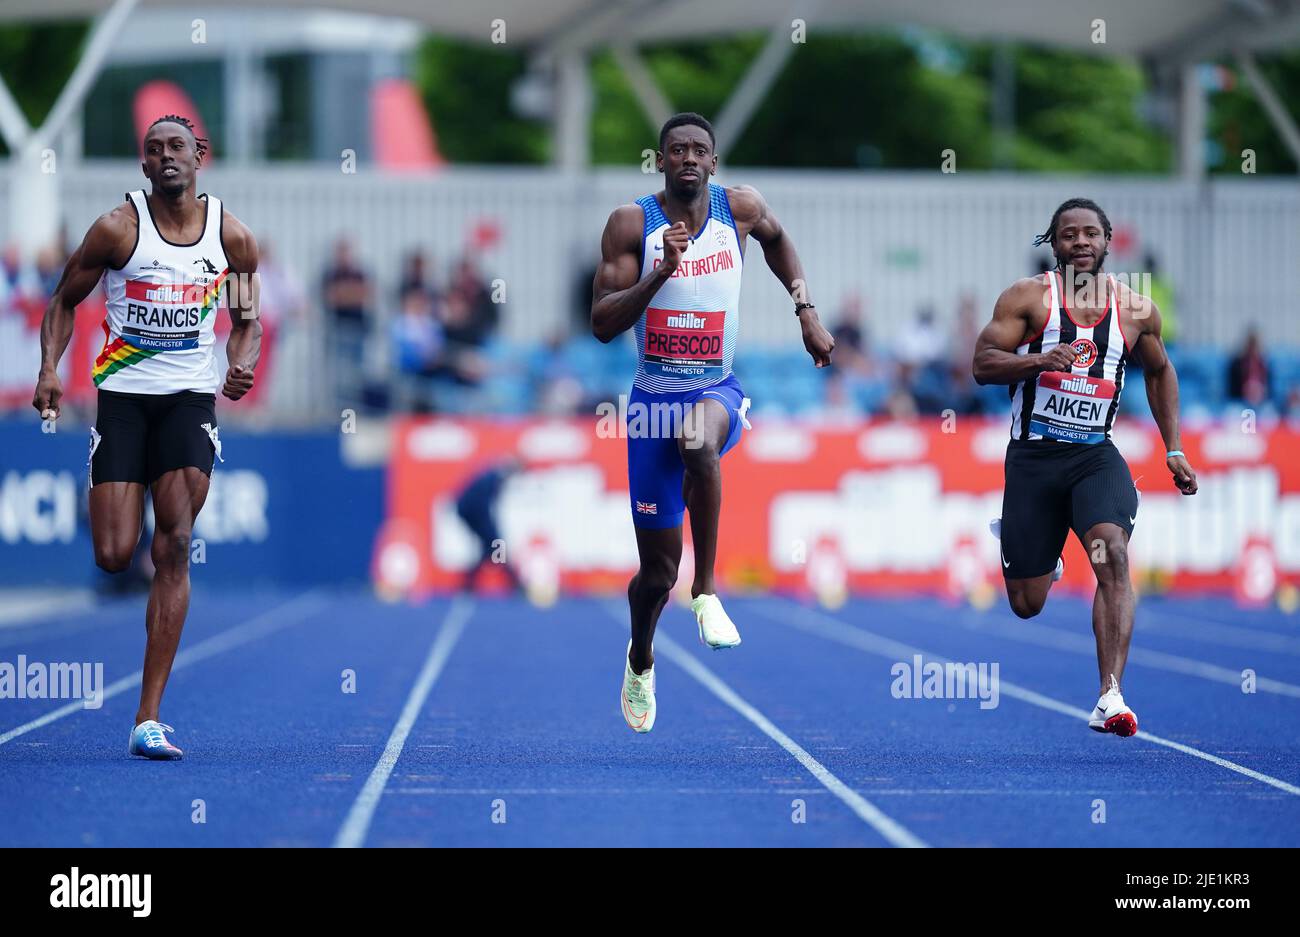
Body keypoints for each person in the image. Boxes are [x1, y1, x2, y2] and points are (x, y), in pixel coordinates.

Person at [591, 112, 834, 733]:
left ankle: (708, 592)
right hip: (650, 404)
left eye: (700, 150)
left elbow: (779, 241)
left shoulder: (740, 210)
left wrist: (804, 309)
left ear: (714, 162)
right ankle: (641, 656)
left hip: (716, 388)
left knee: (698, 443)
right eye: (678, 150)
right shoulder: (630, 224)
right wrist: (660, 274)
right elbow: (602, 323)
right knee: (653, 576)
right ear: (660, 160)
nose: (689, 159)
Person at [32, 115, 261, 760]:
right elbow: (60, 302)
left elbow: (248, 319)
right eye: (153, 149)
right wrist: (49, 368)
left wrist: (242, 361)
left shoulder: (234, 240)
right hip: (125, 400)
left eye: (177, 148)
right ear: (143, 165)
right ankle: (106, 491)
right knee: (112, 553)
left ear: (200, 157)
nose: (166, 157)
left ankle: (148, 716)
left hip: (189, 399)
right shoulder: (117, 230)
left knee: (176, 543)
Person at [973, 197, 1197, 739]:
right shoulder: (1028, 298)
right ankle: (1040, 560)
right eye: (1068, 234)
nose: (1079, 242)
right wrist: (1036, 360)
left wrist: (1173, 448)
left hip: (1094, 455)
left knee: (1111, 551)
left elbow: (1160, 371)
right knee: (1027, 604)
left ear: (1106, 241)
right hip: (1032, 459)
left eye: (1089, 234)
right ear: (1052, 244)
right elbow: (982, 364)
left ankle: (1110, 694)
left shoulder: (1137, 311)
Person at [454, 459, 523, 593]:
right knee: (496, 544)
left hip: (471, 513)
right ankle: (514, 582)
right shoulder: (493, 479)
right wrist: (492, 530)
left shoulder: (493, 477)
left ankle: (468, 585)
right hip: (470, 513)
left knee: (491, 548)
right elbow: (482, 505)